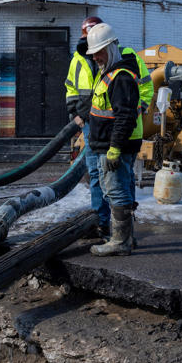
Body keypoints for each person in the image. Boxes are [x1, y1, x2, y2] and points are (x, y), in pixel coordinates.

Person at [85, 23, 143, 256]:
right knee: (119, 189)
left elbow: (125, 116)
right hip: (107, 144)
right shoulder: (108, 74)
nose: (96, 57)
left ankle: (120, 242)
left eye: (99, 51)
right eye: (93, 53)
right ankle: (125, 238)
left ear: (110, 48)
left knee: (117, 191)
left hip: (113, 146)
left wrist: (115, 148)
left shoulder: (120, 77)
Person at [65, 16, 110, 235]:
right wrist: (75, 114)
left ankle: (120, 224)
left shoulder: (115, 56)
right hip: (89, 122)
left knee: (114, 172)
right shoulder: (78, 60)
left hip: (110, 122)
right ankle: (101, 221)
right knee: (95, 172)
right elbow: (71, 88)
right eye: (87, 36)